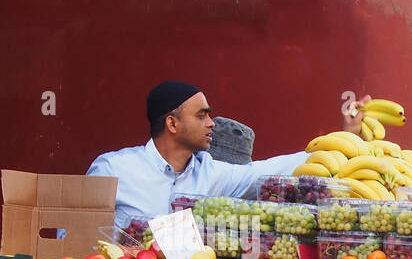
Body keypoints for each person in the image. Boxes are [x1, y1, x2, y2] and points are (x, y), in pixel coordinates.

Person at [88, 81, 363, 233]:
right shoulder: (114, 169)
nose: (211, 123)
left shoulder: (212, 174)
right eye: (201, 115)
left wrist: (344, 137)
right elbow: (73, 234)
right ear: (172, 124)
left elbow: (265, 171)